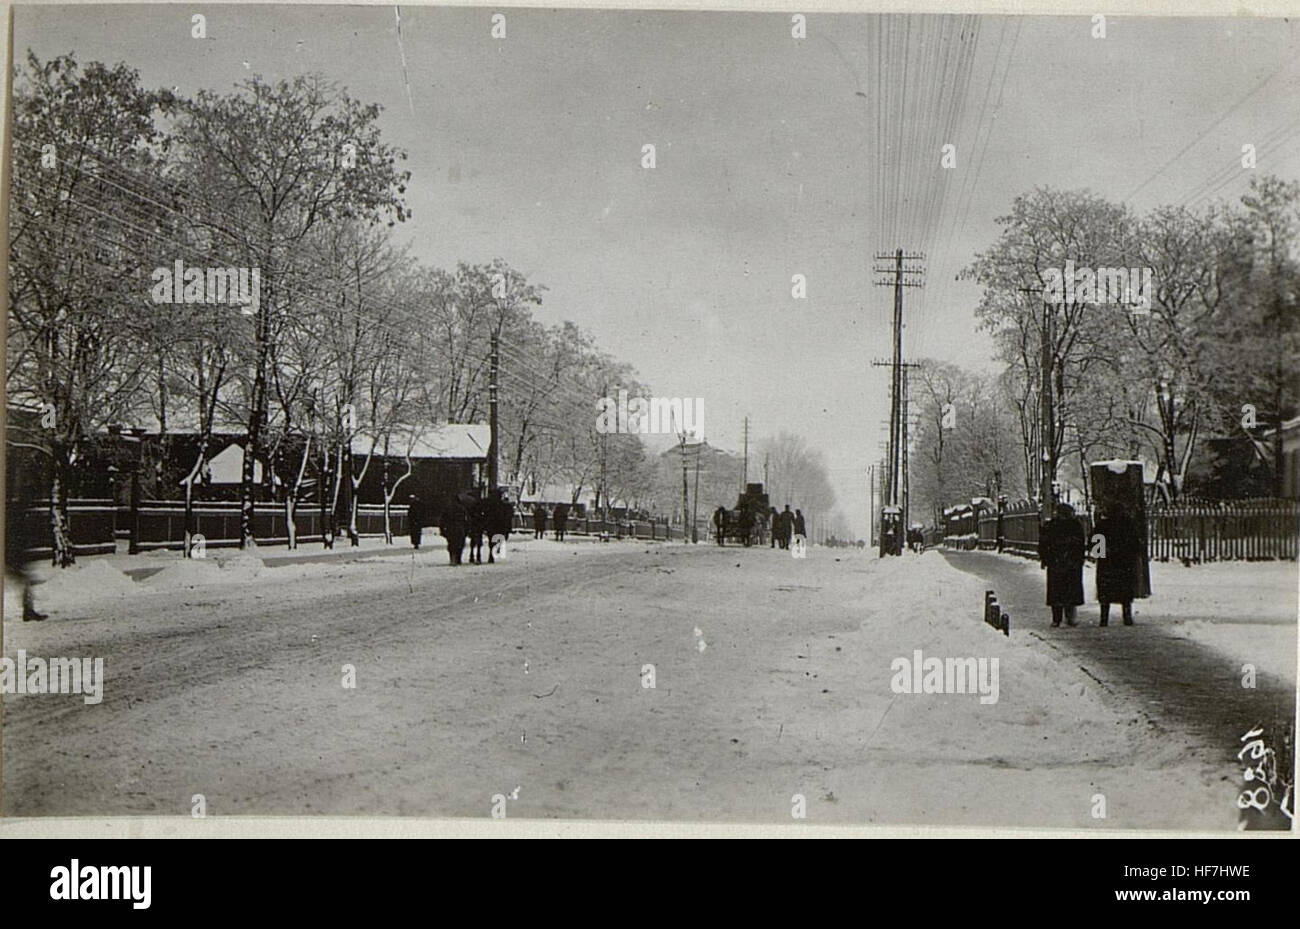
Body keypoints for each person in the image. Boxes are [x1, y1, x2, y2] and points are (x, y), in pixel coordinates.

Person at [1093, 504, 1141, 626]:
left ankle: (1104, 618)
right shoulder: (1128, 525)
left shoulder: (1102, 526)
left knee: (1106, 592)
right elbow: (1135, 545)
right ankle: (1127, 616)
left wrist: (1104, 553)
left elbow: (1096, 548)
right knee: (1124, 591)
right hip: (1124, 563)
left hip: (1107, 564)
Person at [1039, 502, 1085, 627]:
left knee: (1056, 592)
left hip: (1056, 563)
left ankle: (1056, 618)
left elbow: (1043, 544)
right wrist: (1080, 559)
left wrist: (1045, 559)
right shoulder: (1075, 526)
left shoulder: (1050, 526)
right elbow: (1081, 544)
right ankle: (1071, 617)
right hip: (1071, 563)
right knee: (1071, 591)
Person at [440, 496, 469, 566]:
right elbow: (466, 520)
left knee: (451, 543)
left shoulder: (448, 509)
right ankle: (458, 558)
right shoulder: (462, 509)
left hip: (450, 528)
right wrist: (467, 529)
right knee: (459, 543)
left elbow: (443, 520)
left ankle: (452, 557)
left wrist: (442, 529)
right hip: (460, 528)